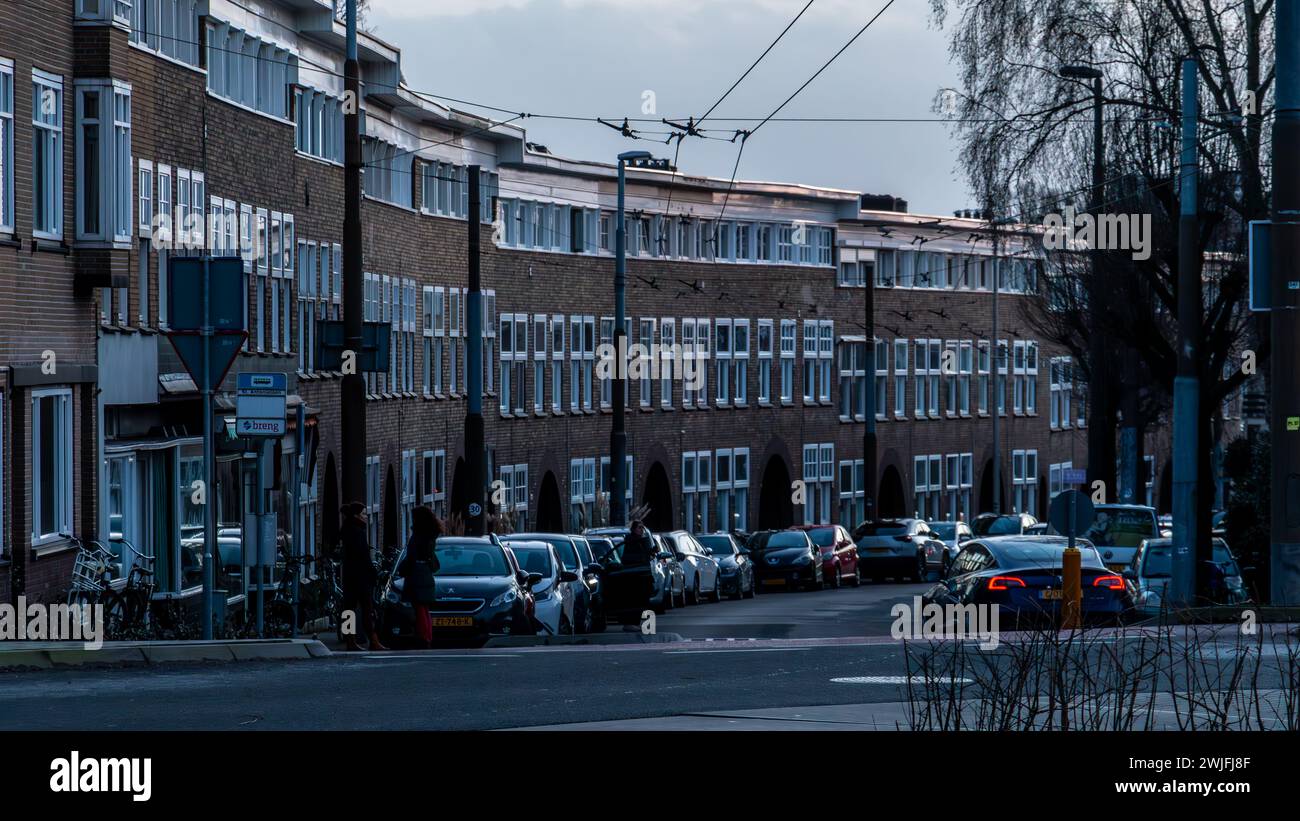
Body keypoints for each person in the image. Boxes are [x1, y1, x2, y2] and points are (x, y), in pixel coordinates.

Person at [339, 502, 387, 652]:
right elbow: (363, 555)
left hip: (349, 576)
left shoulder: (346, 530)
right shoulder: (358, 532)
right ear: (356, 516)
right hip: (360, 576)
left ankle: (350, 640)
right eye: (364, 514)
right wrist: (372, 572)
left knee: (349, 609)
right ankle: (373, 640)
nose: (366, 517)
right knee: (367, 609)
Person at [399, 507, 443, 649]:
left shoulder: (419, 536)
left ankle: (423, 637)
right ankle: (427, 635)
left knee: (419, 608)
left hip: (417, 576)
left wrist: (403, 569)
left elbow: (412, 556)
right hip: (425, 575)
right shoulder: (430, 535)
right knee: (424, 608)